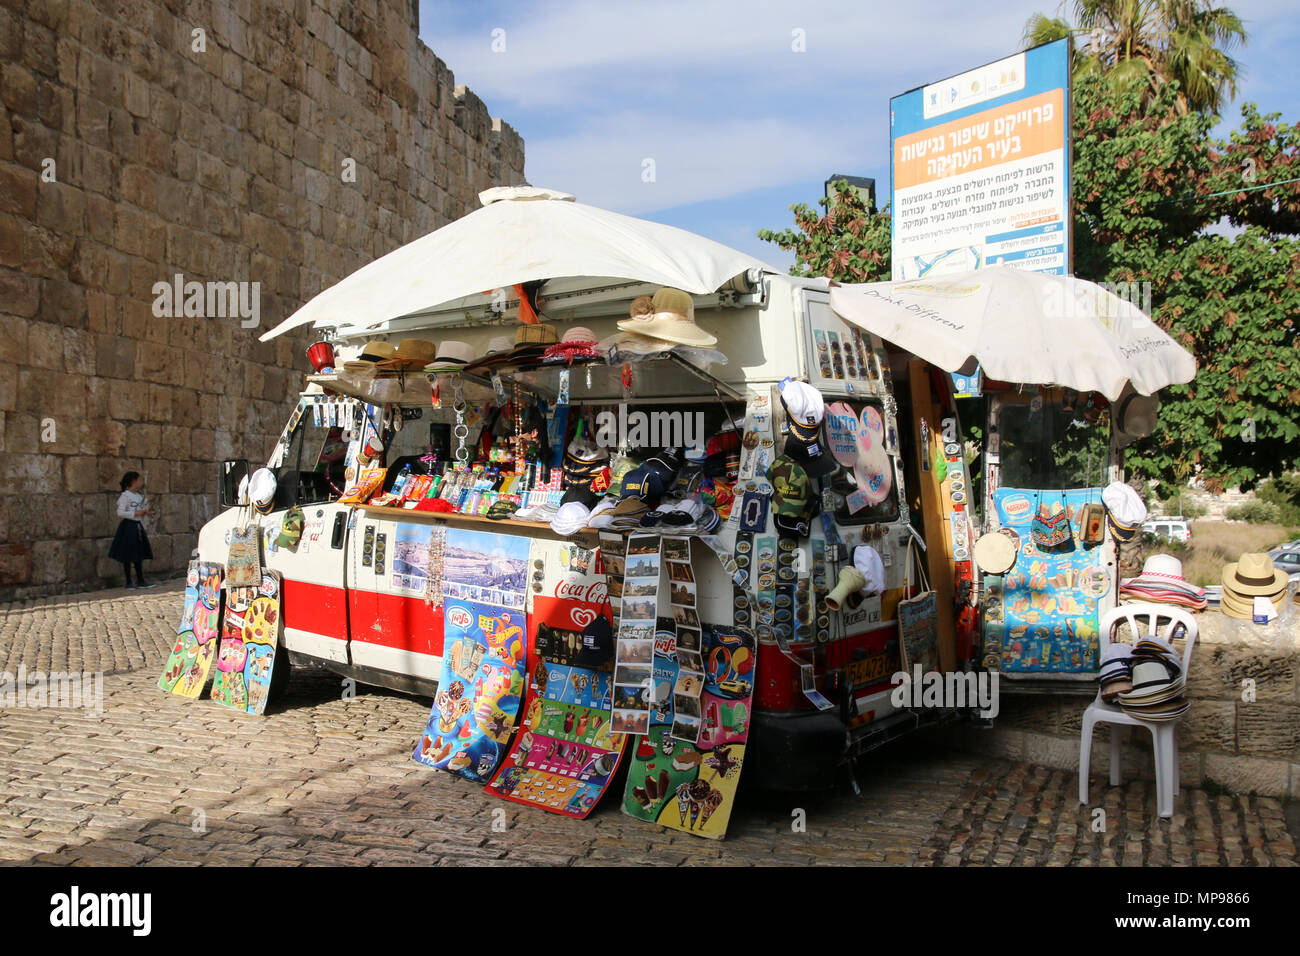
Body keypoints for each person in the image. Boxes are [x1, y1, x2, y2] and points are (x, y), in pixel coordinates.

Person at [109, 472, 155, 589]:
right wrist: (134, 513)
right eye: (139, 480)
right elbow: (120, 512)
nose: (141, 483)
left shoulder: (139, 497)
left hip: (137, 526)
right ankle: (128, 581)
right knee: (128, 553)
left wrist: (143, 513)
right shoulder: (125, 496)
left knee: (138, 552)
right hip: (128, 526)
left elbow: (138, 510)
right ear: (133, 481)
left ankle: (140, 580)